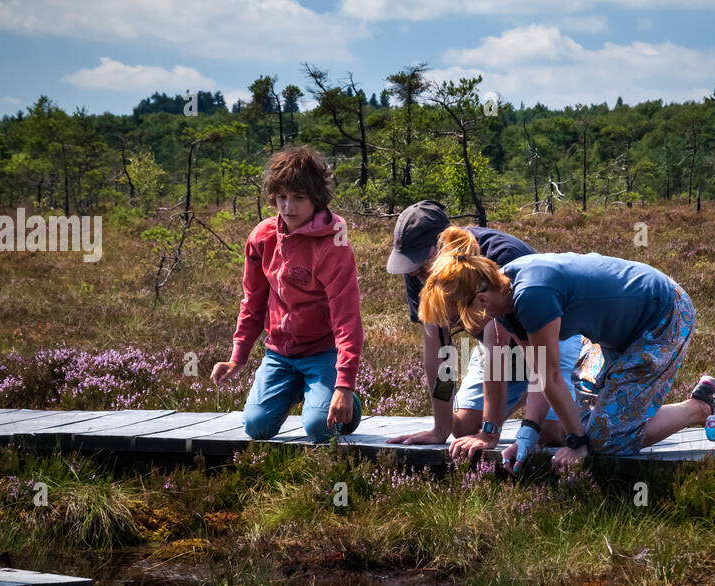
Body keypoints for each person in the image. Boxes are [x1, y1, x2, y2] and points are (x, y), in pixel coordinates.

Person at [419, 249, 715, 472]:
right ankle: (625, 416)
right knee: (580, 422)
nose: (459, 327)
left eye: (459, 319)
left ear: (481, 302)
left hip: (661, 315)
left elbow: (550, 376)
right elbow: (539, 373)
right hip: (613, 334)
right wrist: (527, 434)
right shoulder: (502, 291)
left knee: (605, 441)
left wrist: (577, 444)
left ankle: (699, 406)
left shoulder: (529, 296)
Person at [383, 201, 585, 454]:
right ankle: (525, 392)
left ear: (442, 246)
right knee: (464, 428)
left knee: (552, 433)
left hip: (552, 339)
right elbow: (440, 353)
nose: (413, 272)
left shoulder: (501, 256)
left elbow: (496, 348)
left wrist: (491, 431)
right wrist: (440, 429)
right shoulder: (420, 273)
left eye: (419, 262)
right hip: (501, 351)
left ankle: (584, 389)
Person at [210, 146, 363, 442]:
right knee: (257, 427)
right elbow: (252, 302)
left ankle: (349, 406)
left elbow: (347, 319)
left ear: (316, 198)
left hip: (323, 353)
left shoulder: (334, 245)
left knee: (320, 428)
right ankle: (300, 388)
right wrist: (237, 358)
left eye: (298, 198)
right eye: (281, 197)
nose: (288, 206)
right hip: (280, 354)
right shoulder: (262, 237)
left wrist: (344, 385)